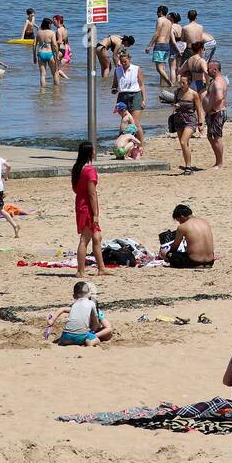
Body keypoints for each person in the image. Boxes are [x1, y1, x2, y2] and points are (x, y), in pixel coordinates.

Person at [69, 142, 109, 277]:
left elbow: (75, 189)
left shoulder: (77, 168)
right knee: (85, 239)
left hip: (80, 202)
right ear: (89, 153)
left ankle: (101, 268)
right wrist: (96, 214)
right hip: (87, 206)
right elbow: (92, 193)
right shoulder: (89, 170)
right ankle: (80, 271)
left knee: (97, 237)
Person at [47, 281, 114, 346]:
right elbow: (107, 327)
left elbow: (62, 309)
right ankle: (90, 341)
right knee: (101, 338)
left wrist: (52, 320)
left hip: (66, 336)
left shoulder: (76, 306)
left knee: (107, 333)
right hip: (84, 335)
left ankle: (63, 341)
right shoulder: (93, 308)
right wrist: (94, 335)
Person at [164, 203, 216, 267]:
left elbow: (174, 248)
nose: (179, 223)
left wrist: (169, 255)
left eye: (179, 221)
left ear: (182, 217)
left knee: (163, 252)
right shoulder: (205, 222)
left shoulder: (183, 226)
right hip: (210, 261)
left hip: (194, 262)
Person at [168, 77, 199, 170]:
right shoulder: (177, 92)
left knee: (183, 142)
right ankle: (187, 164)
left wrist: (201, 122)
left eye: (183, 83)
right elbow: (174, 107)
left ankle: (188, 167)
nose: (181, 85)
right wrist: (176, 106)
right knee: (185, 144)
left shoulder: (194, 94)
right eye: (180, 82)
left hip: (190, 120)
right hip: (178, 120)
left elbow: (199, 108)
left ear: (188, 83)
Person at [202, 60, 228, 169]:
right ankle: (217, 161)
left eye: (209, 69)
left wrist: (212, 109)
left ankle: (219, 163)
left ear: (215, 69)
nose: (207, 71)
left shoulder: (217, 82)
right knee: (210, 136)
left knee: (216, 137)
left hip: (216, 113)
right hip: (214, 112)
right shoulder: (220, 80)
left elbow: (219, 97)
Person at [110, 49, 146, 124]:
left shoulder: (136, 68)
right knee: (126, 120)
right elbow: (115, 84)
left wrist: (144, 100)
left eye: (125, 61)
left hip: (135, 95)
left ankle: (138, 136)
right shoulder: (117, 70)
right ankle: (129, 135)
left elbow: (141, 85)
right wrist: (114, 89)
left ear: (129, 59)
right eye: (121, 62)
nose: (123, 63)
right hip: (122, 96)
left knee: (135, 123)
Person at [145, 5, 176, 87]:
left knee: (159, 69)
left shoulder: (160, 20)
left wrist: (149, 45)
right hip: (167, 46)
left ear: (161, 12)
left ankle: (170, 84)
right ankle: (162, 85)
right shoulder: (169, 22)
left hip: (160, 45)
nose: (156, 13)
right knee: (163, 68)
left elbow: (157, 33)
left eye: (157, 11)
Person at [34, 18, 59, 87]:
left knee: (42, 75)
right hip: (50, 53)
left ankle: (43, 92)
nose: (51, 26)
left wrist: (34, 56)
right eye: (50, 24)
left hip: (41, 54)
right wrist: (56, 55)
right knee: (55, 73)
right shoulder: (52, 32)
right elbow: (54, 44)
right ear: (48, 24)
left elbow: (34, 45)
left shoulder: (38, 32)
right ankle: (57, 90)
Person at [53, 13, 71, 81]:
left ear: (58, 21)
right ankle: (60, 80)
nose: (53, 22)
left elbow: (59, 41)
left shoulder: (59, 30)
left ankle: (66, 79)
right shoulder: (65, 29)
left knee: (55, 69)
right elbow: (66, 41)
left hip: (59, 50)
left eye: (54, 20)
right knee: (56, 68)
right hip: (63, 50)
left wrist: (50, 43)